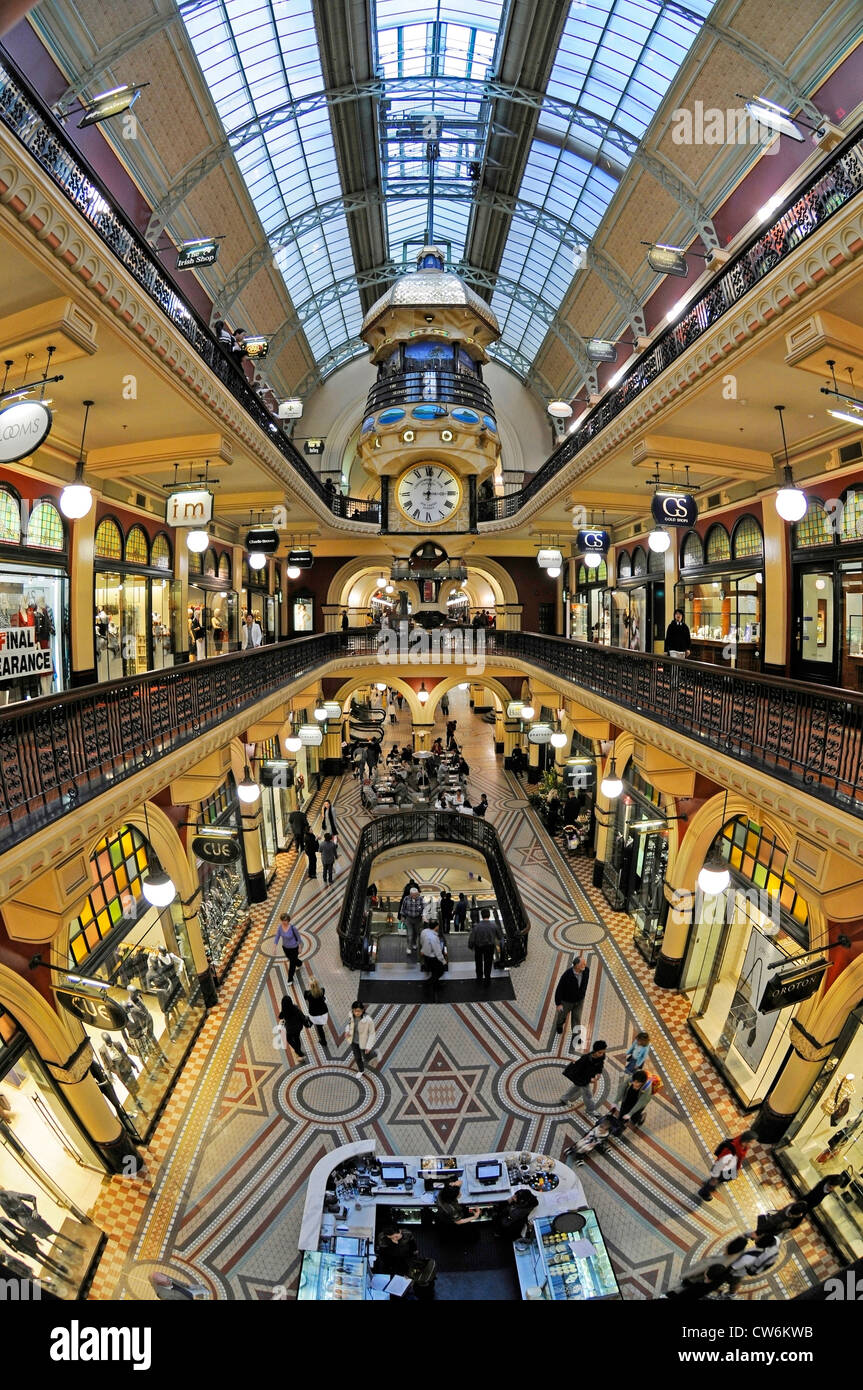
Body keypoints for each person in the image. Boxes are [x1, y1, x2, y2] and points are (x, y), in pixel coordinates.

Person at [698, 1130, 757, 1201]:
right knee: (715, 1180)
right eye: (752, 1143)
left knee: (719, 1179)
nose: (752, 1145)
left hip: (730, 1167)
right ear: (747, 1141)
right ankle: (704, 1192)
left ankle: (710, 1184)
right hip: (722, 1169)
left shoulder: (743, 1143)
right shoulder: (732, 1149)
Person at [556, 1039, 608, 1114]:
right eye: (600, 1052)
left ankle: (564, 1098)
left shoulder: (601, 1056)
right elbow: (579, 1072)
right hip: (582, 1080)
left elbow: (600, 1064)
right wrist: (590, 1079)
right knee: (588, 1095)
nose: (602, 1054)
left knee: (575, 1087)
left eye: (603, 1052)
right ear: (595, 1051)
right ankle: (590, 1110)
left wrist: (599, 1072)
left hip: (585, 1079)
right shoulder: (585, 1059)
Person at [554, 954, 590, 1037]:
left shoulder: (586, 971)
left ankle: (576, 1035)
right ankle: (559, 1025)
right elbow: (559, 989)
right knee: (562, 1015)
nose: (585, 966)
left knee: (577, 1018)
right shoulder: (567, 975)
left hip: (579, 1000)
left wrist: (582, 994)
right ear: (577, 965)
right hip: (567, 1001)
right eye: (582, 964)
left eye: (585, 963)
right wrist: (558, 1003)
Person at [469, 907, 501, 984]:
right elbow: (499, 937)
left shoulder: (477, 926)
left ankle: (479, 979)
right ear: (489, 915)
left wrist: (471, 946)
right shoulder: (494, 926)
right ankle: (487, 979)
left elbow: (472, 938)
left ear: (481, 916)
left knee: (478, 962)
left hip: (478, 947)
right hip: (489, 947)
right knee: (488, 963)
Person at [664, 1264, 733, 1300]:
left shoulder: (698, 1287)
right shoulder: (717, 1282)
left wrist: (670, 1294)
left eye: (707, 1269)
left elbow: (683, 1295)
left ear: (707, 1274)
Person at [345, 1001, 376, 1072]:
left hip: (364, 1042)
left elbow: (372, 1034)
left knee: (366, 1057)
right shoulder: (351, 1015)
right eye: (355, 1011)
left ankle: (375, 1054)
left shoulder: (368, 1020)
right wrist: (347, 1031)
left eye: (359, 1011)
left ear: (363, 1010)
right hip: (353, 1041)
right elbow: (349, 1024)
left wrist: (368, 1046)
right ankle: (361, 1070)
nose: (357, 1013)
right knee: (357, 1057)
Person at [278, 994, 309, 1063]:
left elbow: (280, 1017)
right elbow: (302, 1017)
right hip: (298, 1027)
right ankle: (298, 1051)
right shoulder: (296, 1008)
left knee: (288, 1039)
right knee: (297, 1038)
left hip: (290, 1029)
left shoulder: (284, 1011)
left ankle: (298, 1051)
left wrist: (283, 1011)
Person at [618, 1031, 651, 1096]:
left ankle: (632, 1079)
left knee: (633, 1069)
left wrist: (638, 1064)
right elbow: (632, 1048)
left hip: (638, 1061)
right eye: (637, 1040)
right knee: (630, 1066)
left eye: (639, 1041)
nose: (637, 1042)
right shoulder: (636, 1041)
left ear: (643, 1042)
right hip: (633, 1057)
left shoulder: (646, 1048)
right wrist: (626, 1053)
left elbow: (643, 1058)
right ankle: (628, 1074)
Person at [419, 921, 447, 996]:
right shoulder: (434, 938)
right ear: (436, 927)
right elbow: (437, 951)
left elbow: (421, 941)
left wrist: (423, 949)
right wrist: (443, 961)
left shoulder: (424, 932)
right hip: (432, 957)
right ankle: (428, 983)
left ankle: (436, 984)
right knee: (440, 971)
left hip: (426, 956)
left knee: (434, 971)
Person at [274, 914, 303, 983]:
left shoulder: (293, 928)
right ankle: (299, 963)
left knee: (292, 964)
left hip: (294, 948)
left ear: (288, 920)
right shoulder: (280, 928)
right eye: (283, 920)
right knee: (292, 959)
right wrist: (274, 947)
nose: (284, 922)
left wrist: (300, 947)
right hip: (285, 948)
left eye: (286, 920)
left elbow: (299, 938)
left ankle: (290, 978)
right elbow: (277, 937)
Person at [303, 976, 329, 1049]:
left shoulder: (307, 993)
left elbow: (305, 998)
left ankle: (323, 1041)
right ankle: (319, 1025)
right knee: (321, 1024)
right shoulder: (322, 990)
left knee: (319, 1028)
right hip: (323, 1012)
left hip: (314, 1014)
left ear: (310, 985)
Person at [399, 884, 425, 957]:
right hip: (409, 919)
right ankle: (409, 947)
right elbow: (402, 908)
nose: (414, 896)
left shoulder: (420, 899)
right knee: (410, 934)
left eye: (416, 895)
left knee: (416, 933)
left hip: (418, 919)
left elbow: (424, 908)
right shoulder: (406, 899)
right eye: (413, 895)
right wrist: (402, 917)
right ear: (410, 894)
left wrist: (423, 916)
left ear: (417, 894)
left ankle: (414, 943)